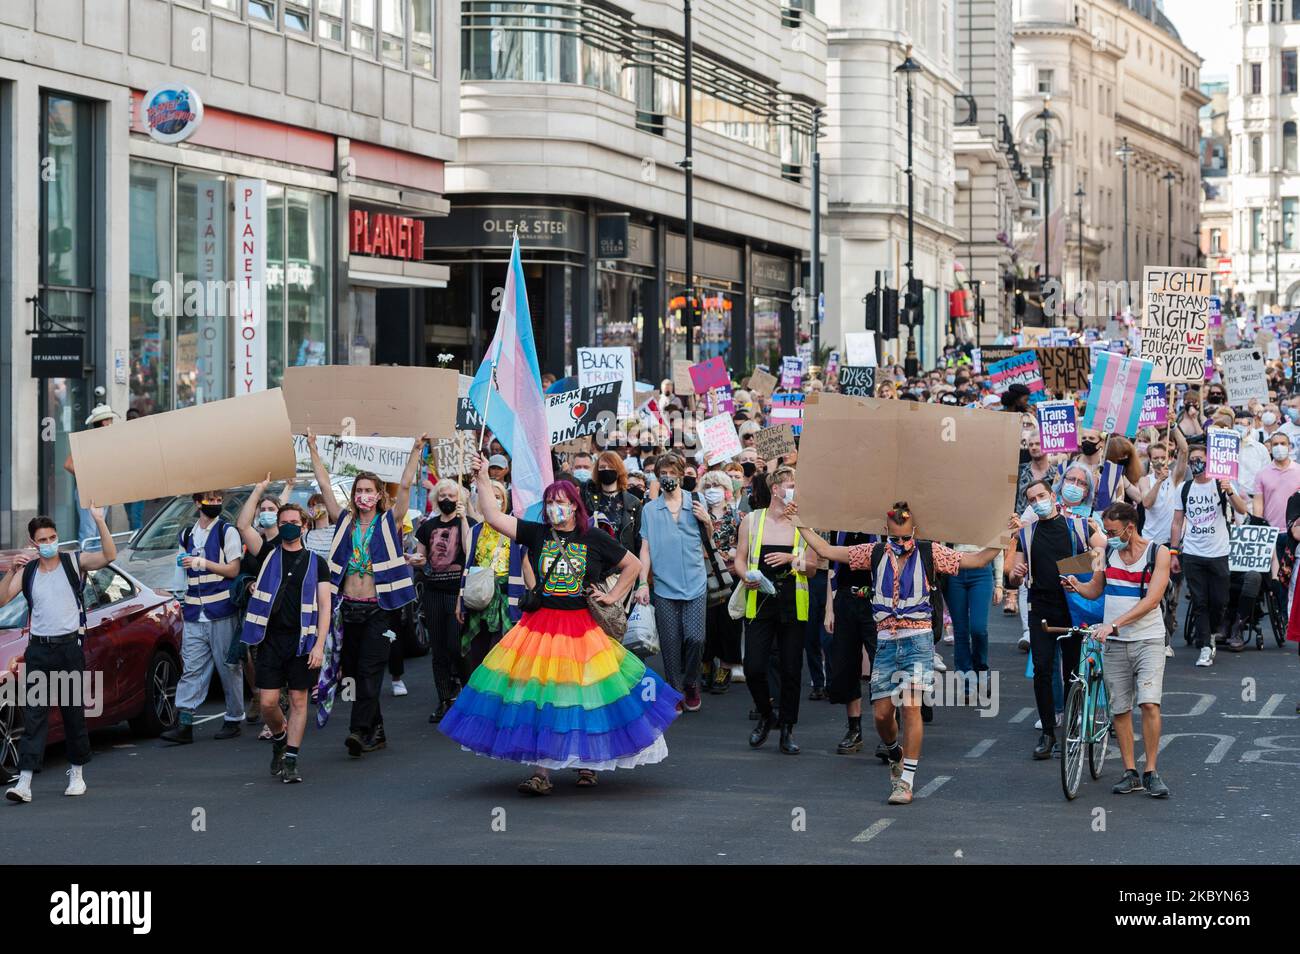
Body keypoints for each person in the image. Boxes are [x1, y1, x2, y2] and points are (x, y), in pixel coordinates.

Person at [440, 453, 679, 795]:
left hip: (582, 628)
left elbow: (632, 565)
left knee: (584, 695)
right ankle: (542, 773)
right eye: (551, 502)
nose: (556, 508)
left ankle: (588, 761)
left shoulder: (593, 538)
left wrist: (612, 598)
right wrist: (479, 478)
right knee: (544, 698)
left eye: (562, 502)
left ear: (575, 506)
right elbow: (492, 516)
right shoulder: (537, 533)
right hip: (539, 627)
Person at [799, 502, 1001, 804]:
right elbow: (828, 552)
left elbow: (975, 559)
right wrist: (800, 523)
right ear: (885, 534)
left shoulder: (931, 551)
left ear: (915, 532)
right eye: (895, 538)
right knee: (882, 714)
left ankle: (905, 781)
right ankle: (894, 750)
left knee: (911, 707)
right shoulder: (874, 552)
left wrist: (1005, 536)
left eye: (906, 537)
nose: (902, 543)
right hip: (886, 641)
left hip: (918, 640)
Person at [308, 428, 423, 757]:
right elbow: (325, 485)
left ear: (377, 495)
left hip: (380, 611)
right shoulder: (343, 521)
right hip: (348, 611)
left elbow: (404, 486)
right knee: (356, 674)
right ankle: (378, 730)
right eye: (359, 490)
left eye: (369, 490)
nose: (363, 495)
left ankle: (359, 732)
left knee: (371, 672)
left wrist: (416, 448)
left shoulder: (389, 522)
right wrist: (314, 448)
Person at [0, 509, 116, 803]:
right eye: (43, 539)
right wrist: (12, 570)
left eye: (53, 537)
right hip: (39, 649)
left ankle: (76, 774)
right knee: (35, 716)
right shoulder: (28, 571)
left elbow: (109, 556)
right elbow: (3, 599)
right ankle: (24, 782)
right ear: (33, 542)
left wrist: (100, 520)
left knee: (73, 714)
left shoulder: (72, 562)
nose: (49, 542)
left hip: (68, 648)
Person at [1063, 502, 1172, 798]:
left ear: (1130, 527)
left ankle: (1151, 770)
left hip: (1148, 638)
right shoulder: (1106, 553)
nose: (1107, 536)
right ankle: (1129, 772)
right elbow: (1096, 589)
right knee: (1120, 708)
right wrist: (1075, 583)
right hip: (1114, 643)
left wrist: (1114, 624)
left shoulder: (1158, 553)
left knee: (1149, 704)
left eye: (1111, 531)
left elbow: (1151, 601)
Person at [1006, 476, 1104, 760]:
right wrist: (1017, 573)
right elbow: (1013, 574)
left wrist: (1075, 571)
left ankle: (1072, 727)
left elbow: (1103, 551)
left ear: (1052, 496)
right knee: (1042, 668)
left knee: (1072, 670)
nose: (1038, 503)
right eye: (1032, 500)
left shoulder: (1078, 526)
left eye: (1041, 496)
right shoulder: (1027, 533)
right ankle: (1048, 731)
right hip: (1041, 606)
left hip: (1072, 607)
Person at [237, 502, 329, 783]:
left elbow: (325, 606)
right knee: (268, 702)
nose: (289, 525)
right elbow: (243, 526)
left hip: (302, 640)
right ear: (279, 525)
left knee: (300, 700)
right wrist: (260, 489)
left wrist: (319, 646)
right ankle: (279, 736)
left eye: (294, 521)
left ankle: (291, 759)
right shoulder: (268, 554)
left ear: (304, 526)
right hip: (270, 639)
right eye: (284, 521)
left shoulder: (317, 562)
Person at [733, 466, 811, 755]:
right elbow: (740, 559)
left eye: (795, 484)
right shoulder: (753, 521)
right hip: (760, 601)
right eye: (789, 484)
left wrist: (792, 559)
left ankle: (787, 729)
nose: (793, 489)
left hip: (793, 603)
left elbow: (814, 567)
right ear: (775, 489)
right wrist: (745, 576)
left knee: (791, 669)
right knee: (753, 666)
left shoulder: (804, 523)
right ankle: (767, 715)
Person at [161, 491, 245, 744]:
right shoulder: (186, 534)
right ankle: (184, 723)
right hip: (194, 614)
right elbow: (180, 571)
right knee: (192, 669)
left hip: (221, 612)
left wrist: (202, 562)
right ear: (197, 503)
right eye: (210, 499)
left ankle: (233, 717)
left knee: (228, 667)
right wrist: (172, 591)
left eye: (219, 498)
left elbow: (233, 569)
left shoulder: (226, 531)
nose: (216, 503)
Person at [636, 453, 711, 712]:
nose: (667, 477)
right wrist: (642, 584)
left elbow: (708, 541)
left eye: (672, 472)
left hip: (695, 580)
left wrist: (707, 521)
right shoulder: (649, 509)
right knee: (670, 642)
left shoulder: (696, 502)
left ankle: (691, 681)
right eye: (663, 473)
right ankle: (675, 689)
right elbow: (644, 549)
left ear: (681, 474)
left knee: (695, 639)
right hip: (664, 584)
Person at [1171, 441, 1249, 665]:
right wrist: (1173, 552)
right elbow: (1177, 522)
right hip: (1193, 553)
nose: (1196, 464)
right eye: (1192, 460)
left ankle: (1212, 632)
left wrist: (1229, 490)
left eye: (1201, 461)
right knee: (1199, 600)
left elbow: (1242, 509)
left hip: (1218, 553)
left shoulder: (1220, 484)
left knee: (1219, 601)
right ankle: (1205, 644)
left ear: (1210, 463)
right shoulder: (1183, 489)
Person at [457, 479, 531, 673]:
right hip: (479, 601)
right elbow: (468, 565)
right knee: (478, 656)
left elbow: (525, 565)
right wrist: (460, 600)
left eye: (498, 497)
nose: (494, 500)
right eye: (490, 496)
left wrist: (536, 598)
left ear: (504, 502)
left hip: (507, 601)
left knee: (501, 658)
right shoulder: (475, 531)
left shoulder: (515, 528)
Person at [415, 478, 468, 723]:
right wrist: (416, 559)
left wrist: (465, 517)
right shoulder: (428, 527)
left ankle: (464, 694)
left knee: (456, 647)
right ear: (436, 499)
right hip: (434, 591)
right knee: (439, 650)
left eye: (452, 495)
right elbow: (420, 554)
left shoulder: (466, 522)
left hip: (457, 593)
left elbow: (470, 549)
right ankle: (444, 698)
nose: (447, 500)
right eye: (443, 496)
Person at [823, 529, 878, 755]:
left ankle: (890, 731)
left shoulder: (881, 527)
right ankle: (854, 729)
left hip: (877, 602)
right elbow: (830, 569)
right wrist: (829, 608)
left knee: (882, 666)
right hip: (845, 599)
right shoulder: (840, 525)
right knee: (846, 666)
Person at [1138, 437, 1188, 653]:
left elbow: (1185, 450)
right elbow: (1146, 503)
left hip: (1172, 543)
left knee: (1172, 595)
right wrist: (1158, 481)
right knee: (1154, 593)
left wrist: (1173, 427)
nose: (1159, 461)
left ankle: (1169, 628)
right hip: (1151, 542)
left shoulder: (1176, 478)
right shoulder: (1145, 481)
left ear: (1169, 458)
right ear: (1149, 460)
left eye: (1163, 457)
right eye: (1155, 458)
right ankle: (1161, 639)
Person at [699, 469, 742, 692]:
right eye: (708, 486)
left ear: (727, 491)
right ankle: (705, 665)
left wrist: (731, 554)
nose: (712, 490)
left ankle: (724, 667)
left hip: (730, 578)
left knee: (728, 624)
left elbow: (743, 547)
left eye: (717, 486)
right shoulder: (696, 515)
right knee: (705, 623)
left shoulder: (737, 517)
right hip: (704, 577)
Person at [583, 451, 643, 556]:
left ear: (619, 470)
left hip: (624, 562)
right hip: (596, 559)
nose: (606, 470)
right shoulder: (588, 499)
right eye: (602, 467)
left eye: (611, 466)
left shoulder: (633, 503)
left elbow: (639, 540)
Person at [1253, 431, 1300, 532]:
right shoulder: (1261, 474)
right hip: (1271, 531)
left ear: (1289, 447)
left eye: (1283, 443)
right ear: (1270, 448)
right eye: (1275, 444)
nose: (1279, 447)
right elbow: (1258, 502)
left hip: (1294, 532)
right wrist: (1258, 526)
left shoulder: (1299, 471)